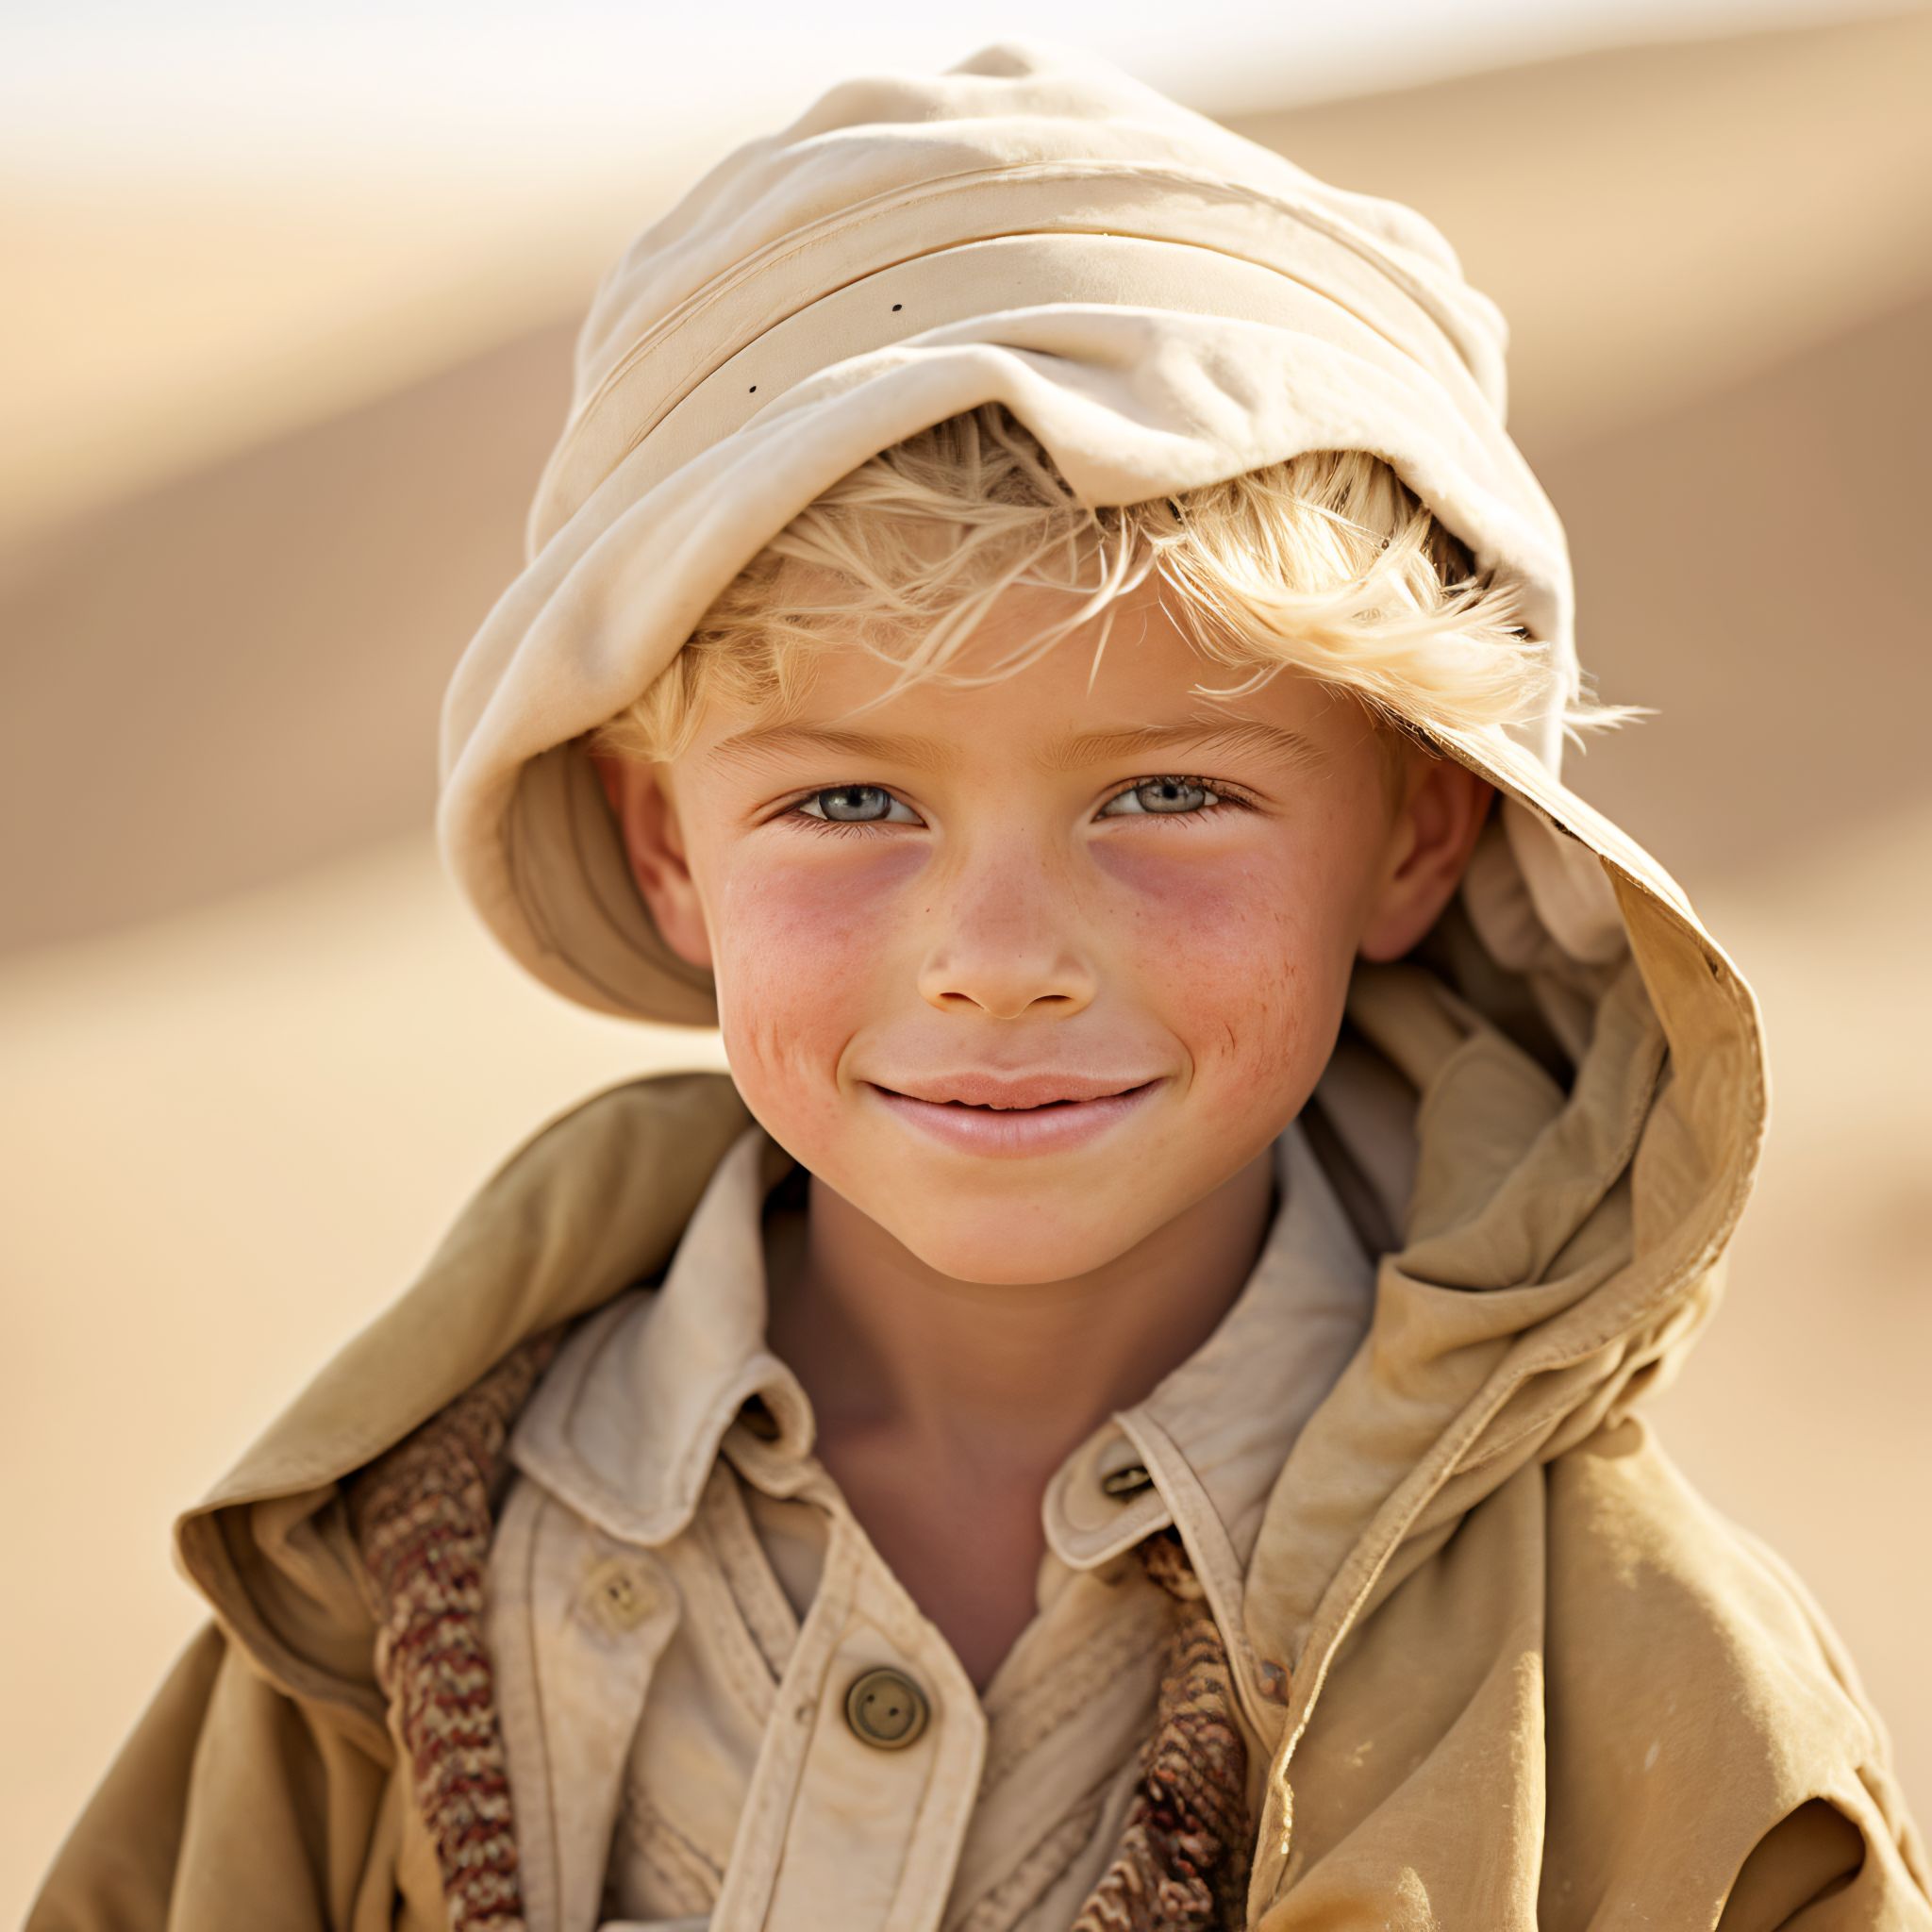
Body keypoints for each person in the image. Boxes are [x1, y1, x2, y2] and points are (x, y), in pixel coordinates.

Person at [29, 36, 1931, 1932]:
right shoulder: (387, 1578)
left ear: (1417, 830)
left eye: (1168, 791)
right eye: (848, 798)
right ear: (668, 846)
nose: (998, 959)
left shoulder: (1639, 1696)